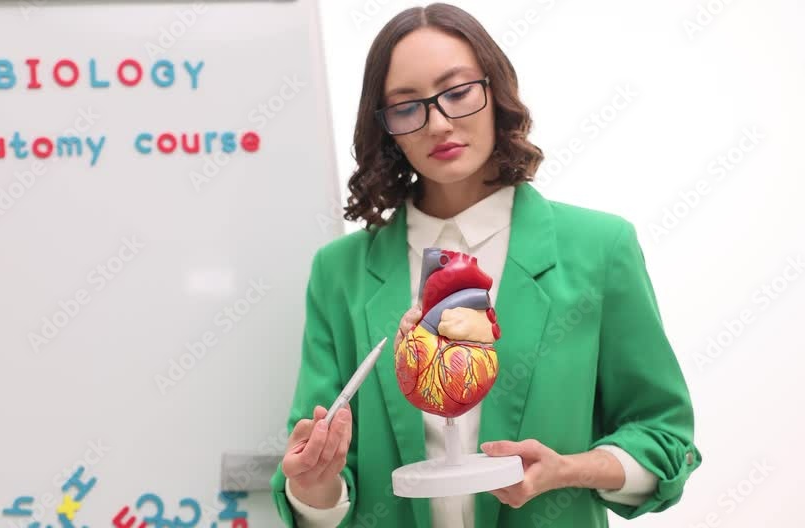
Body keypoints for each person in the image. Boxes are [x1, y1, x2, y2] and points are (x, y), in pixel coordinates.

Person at [269, 3, 700, 528]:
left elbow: (664, 436)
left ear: (495, 91)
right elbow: (322, 472)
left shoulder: (600, 248)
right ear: (387, 129)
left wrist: (569, 469)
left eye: (458, 92)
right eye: (407, 107)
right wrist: (315, 485)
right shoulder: (340, 272)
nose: (439, 123)